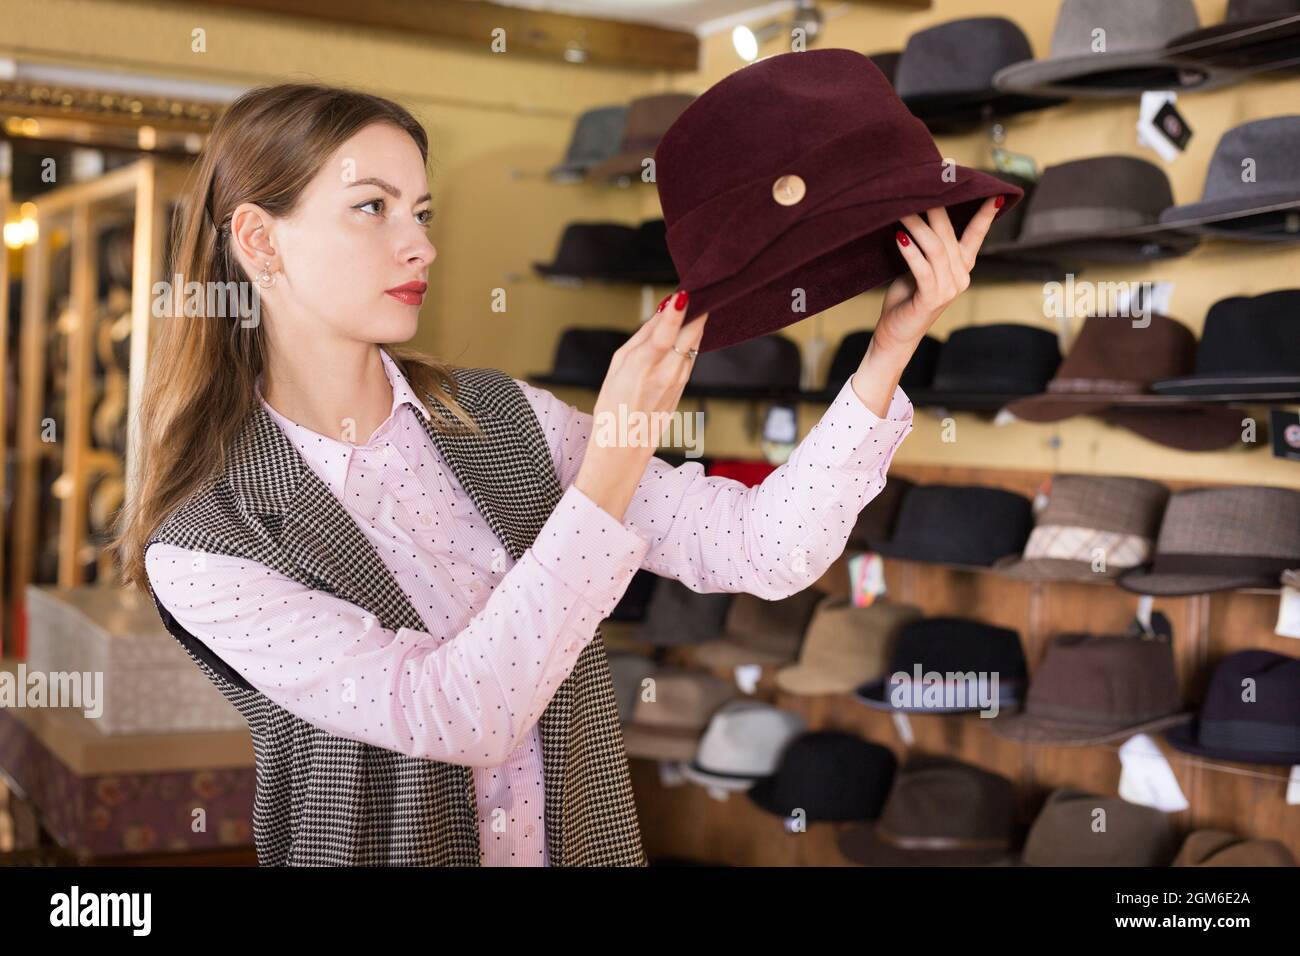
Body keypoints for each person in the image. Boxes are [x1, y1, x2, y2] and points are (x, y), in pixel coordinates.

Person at [110, 82, 1003, 866]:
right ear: (260, 243)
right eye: (372, 208)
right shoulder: (205, 543)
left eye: (422, 212)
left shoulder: (502, 418)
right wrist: (611, 463)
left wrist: (890, 349)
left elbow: (764, 550)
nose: (419, 246)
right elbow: (459, 716)